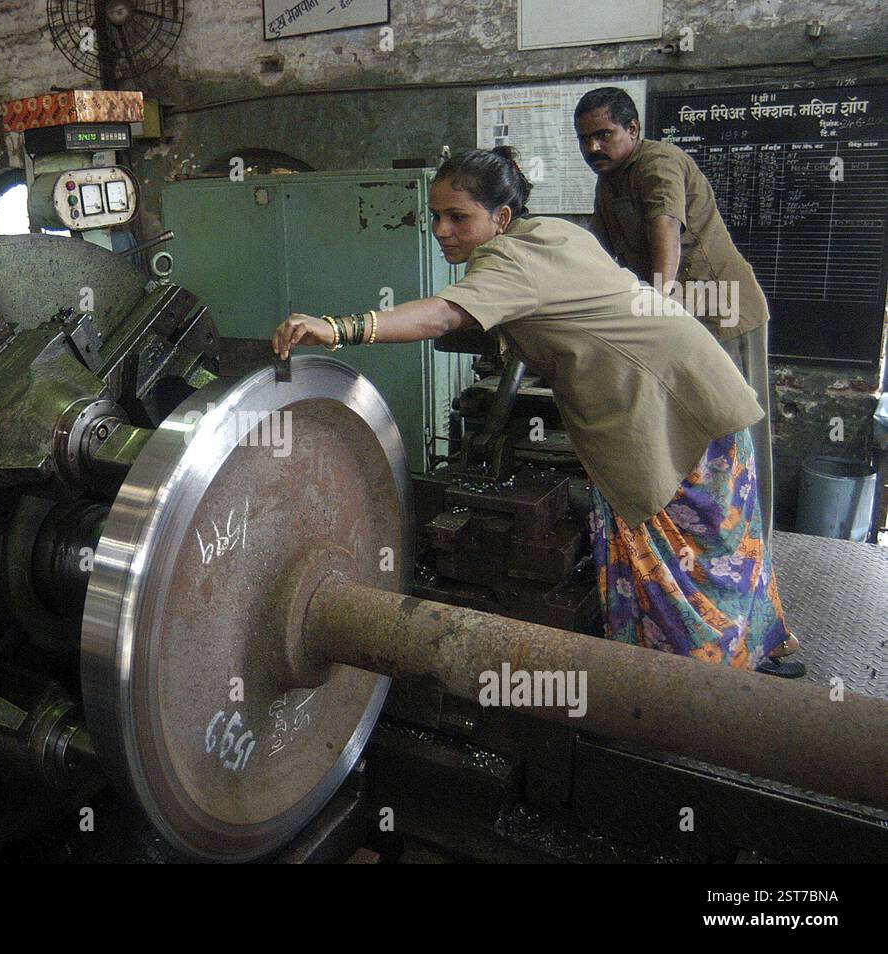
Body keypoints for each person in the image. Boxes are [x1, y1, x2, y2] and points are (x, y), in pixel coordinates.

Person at [271, 146, 793, 673]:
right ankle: (761, 646)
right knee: (725, 537)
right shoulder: (552, 231)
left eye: (458, 217)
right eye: (435, 216)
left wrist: (339, 329)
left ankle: (699, 687)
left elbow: (444, 317)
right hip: (700, 383)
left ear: (501, 217)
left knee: (679, 559)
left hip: (662, 412)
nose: (441, 230)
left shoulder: (508, 259)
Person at [574, 86, 801, 673]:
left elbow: (665, 227)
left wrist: (659, 302)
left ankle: (755, 577)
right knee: (699, 465)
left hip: (722, 319)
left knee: (739, 451)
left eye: (604, 134)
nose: (594, 147)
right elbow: (601, 254)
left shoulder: (657, 162)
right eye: (585, 139)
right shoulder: (607, 183)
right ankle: (696, 578)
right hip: (677, 334)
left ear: (633, 128)